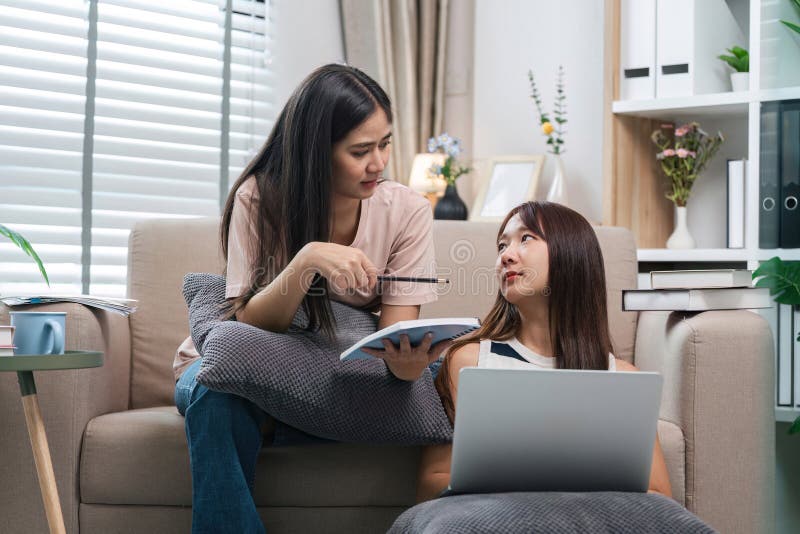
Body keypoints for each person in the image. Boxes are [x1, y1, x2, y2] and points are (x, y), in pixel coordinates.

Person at [173, 64, 452, 534]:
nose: (378, 163)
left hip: (328, 372)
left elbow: (396, 333)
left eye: (385, 143)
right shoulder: (258, 198)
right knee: (215, 391)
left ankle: (283, 422)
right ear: (315, 150)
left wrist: (405, 366)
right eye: (360, 151)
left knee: (225, 402)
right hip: (242, 365)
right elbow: (249, 330)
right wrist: (305, 263)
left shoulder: (405, 212)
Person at [415, 201, 673, 502]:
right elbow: (430, 484)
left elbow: (660, 496)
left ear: (571, 254)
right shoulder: (469, 361)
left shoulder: (624, 379)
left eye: (526, 238)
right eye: (501, 246)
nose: (505, 257)